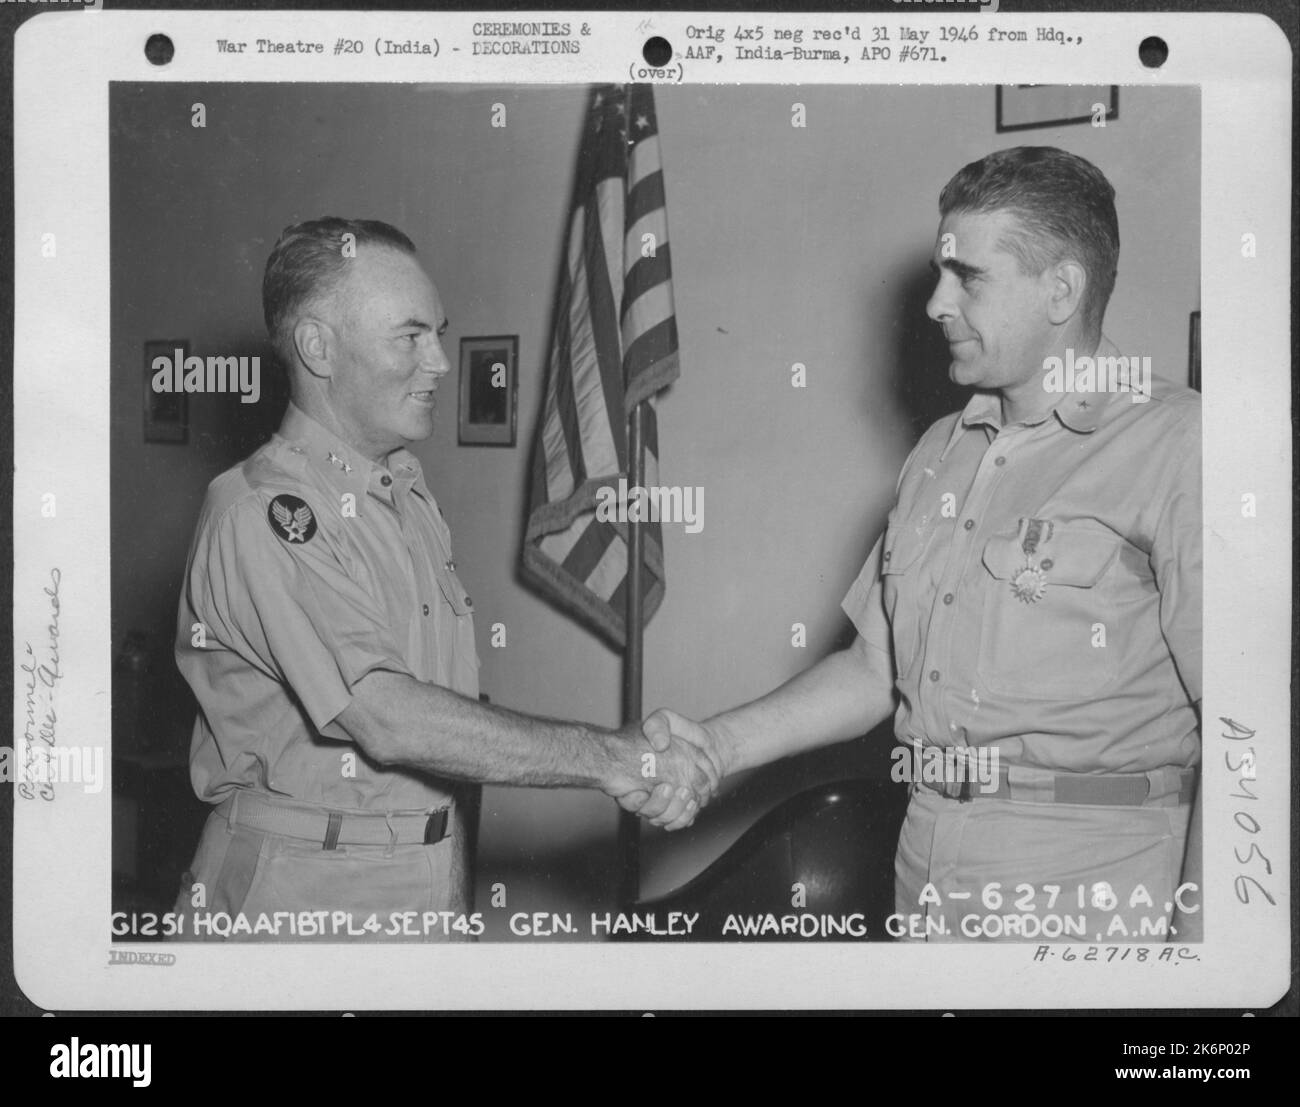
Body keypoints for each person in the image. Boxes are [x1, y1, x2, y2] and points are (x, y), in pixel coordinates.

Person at [634, 147, 1203, 943]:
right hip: (926, 877)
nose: (936, 302)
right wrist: (718, 745)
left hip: (1094, 900)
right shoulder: (941, 449)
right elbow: (876, 670)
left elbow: (1254, 731)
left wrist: (1206, 956)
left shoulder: (1180, 443)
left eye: (968, 277)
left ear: (1062, 290)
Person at [172, 217, 715, 941]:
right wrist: (614, 757)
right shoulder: (261, 513)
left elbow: (435, 754)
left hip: (421, 884)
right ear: (318, 347)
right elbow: (391, 718)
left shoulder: (403, 494)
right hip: (300, 902)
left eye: (439, 333)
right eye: (411, 336)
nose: (441, 362)